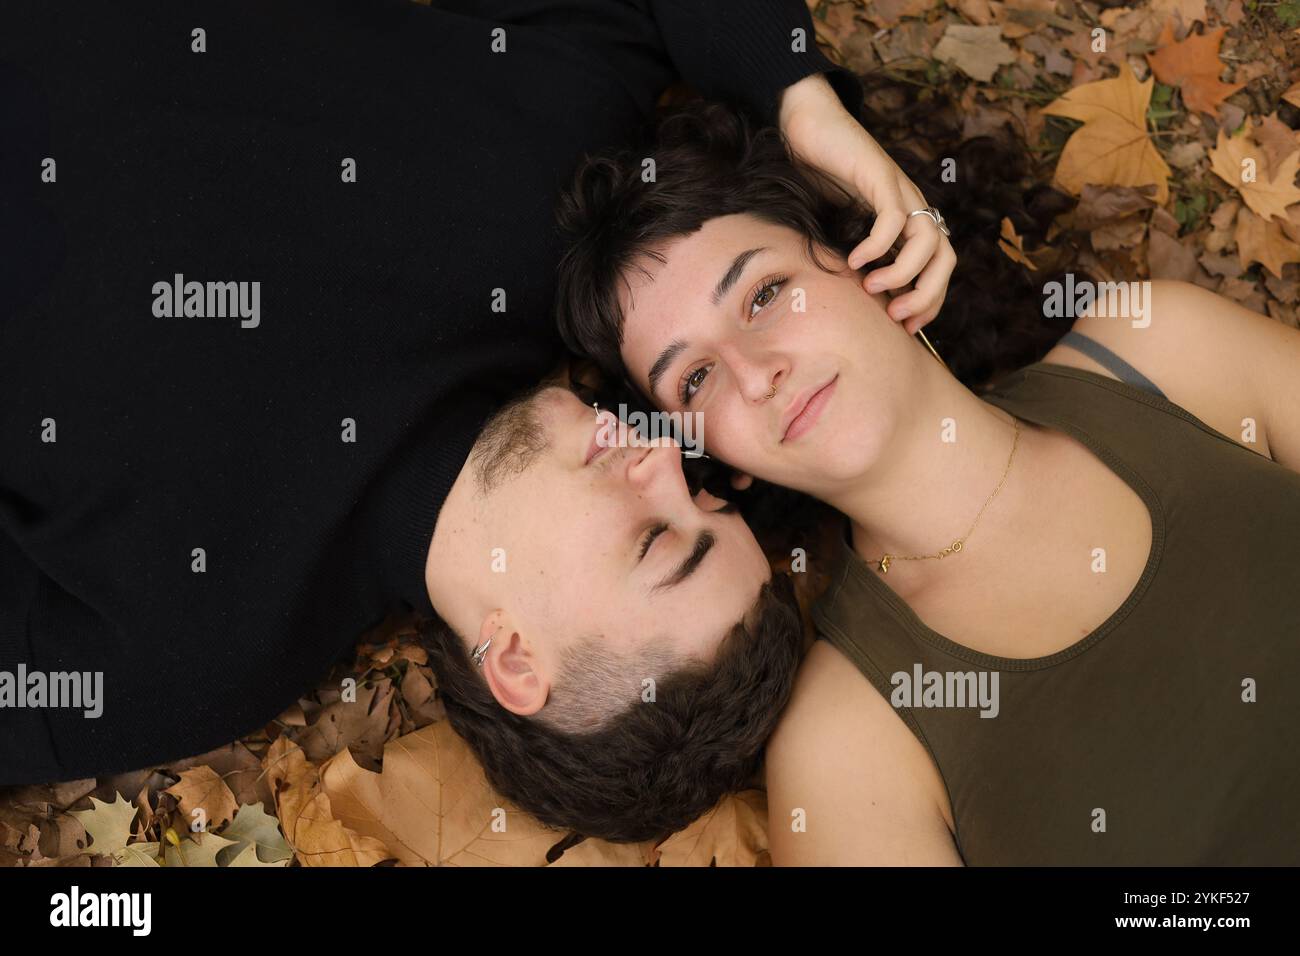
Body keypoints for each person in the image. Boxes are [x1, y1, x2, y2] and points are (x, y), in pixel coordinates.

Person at [0, 0, 956, 844]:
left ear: (514, 661)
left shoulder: (183, 649)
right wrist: (801, 98)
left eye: (659, 540)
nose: (666, 461)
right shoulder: (541, 216)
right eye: (704, 492)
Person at [553, 98, 1300, 864]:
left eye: (765, 294)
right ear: (717, 456)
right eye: (696, 377)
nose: (755, 374)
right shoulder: (844, 747)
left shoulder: (1161, 351)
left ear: (871, 256)